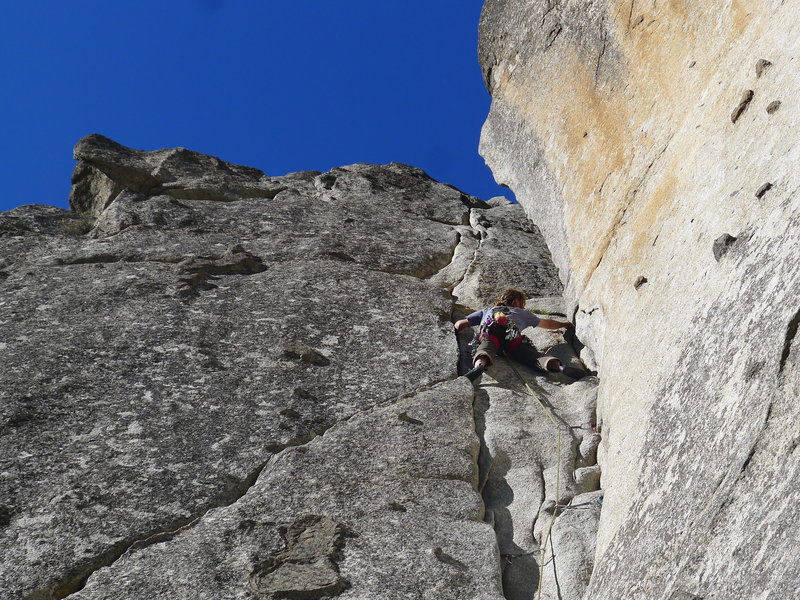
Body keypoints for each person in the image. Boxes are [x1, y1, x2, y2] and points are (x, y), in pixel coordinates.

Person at [453, 288, 573, 382]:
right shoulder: (523, 313)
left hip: (491, 333)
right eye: (523, 303)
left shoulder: (488, 310)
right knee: (532, 355)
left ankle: (479, 365)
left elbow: (460, 324)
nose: (523, 306)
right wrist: (564, 324)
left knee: (485, 348)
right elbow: (547, 323)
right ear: (516, 301)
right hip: (512, 337)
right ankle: (556, 365)